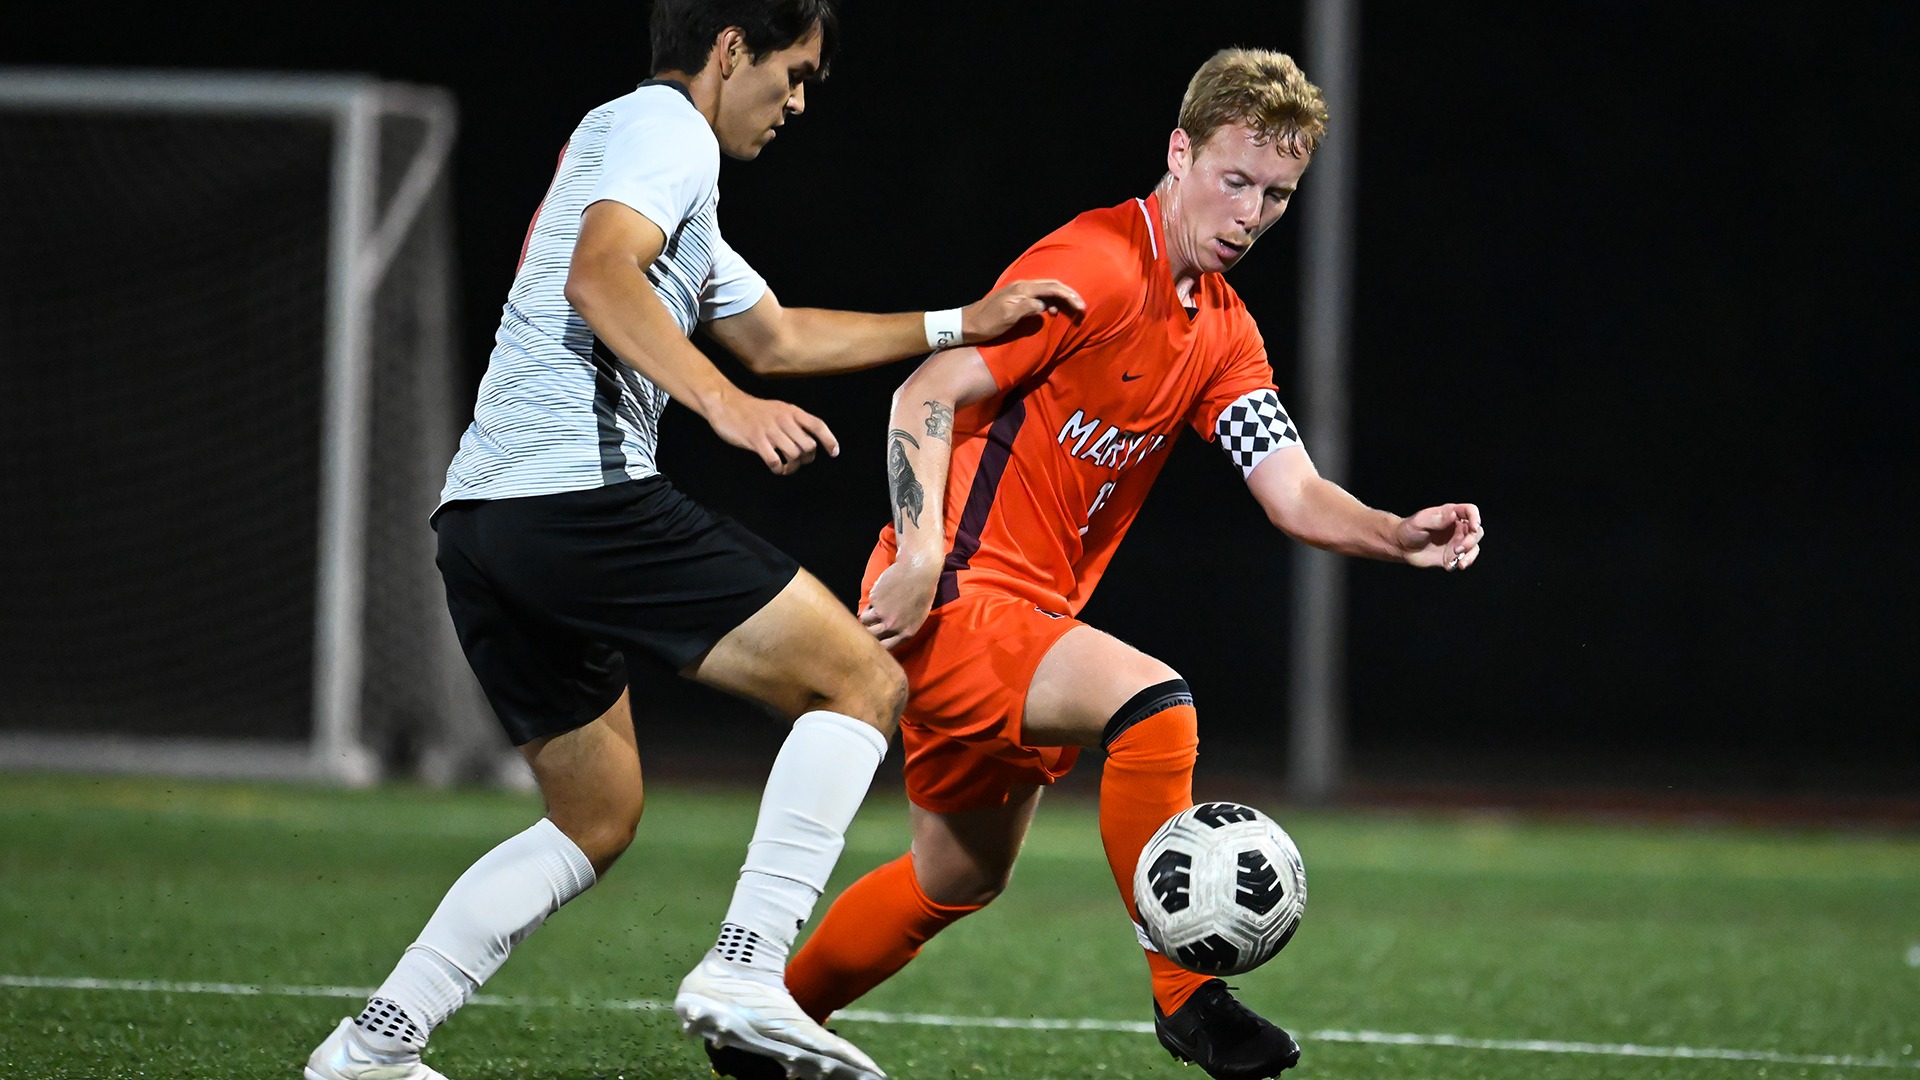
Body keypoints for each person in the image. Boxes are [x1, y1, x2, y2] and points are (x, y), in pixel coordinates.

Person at [301, 3, 1082, 1079]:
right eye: (793, 73)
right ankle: (746, 968)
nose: (800, 101)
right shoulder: (664, 128)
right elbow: (601, 274)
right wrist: (725, 408)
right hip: (571, 498)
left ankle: (375, 1044)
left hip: (483, 526)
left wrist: (963, 322)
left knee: (595, 817)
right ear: (730, 49)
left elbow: (778, 336)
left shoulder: (654, 163)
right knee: (858, 681)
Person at [709, 47, 1485, 1080]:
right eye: (1236, 180)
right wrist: (924, 551)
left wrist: (1393, 531)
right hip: (957, 597)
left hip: (1027, 617)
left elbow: (1291, 489)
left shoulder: (1222, 330)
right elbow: (924, 394)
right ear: (1180, 152)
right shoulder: (1095, 264)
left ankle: (762, 1021)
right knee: (1156, 706)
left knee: (955, 877)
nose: (1252, 213)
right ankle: (1186, 996)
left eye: (1279, 195)